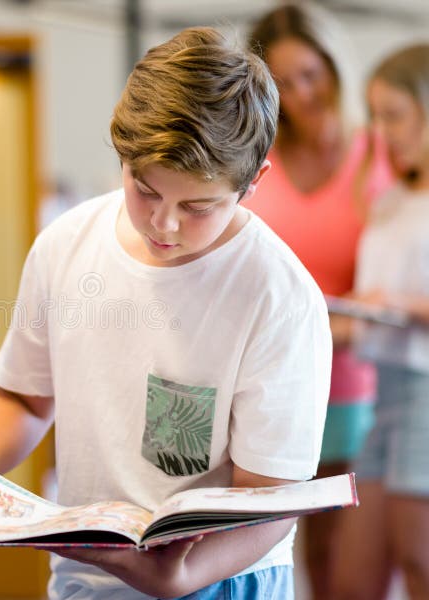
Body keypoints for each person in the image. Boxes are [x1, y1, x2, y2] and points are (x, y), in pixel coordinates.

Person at [0, 27, 332, 599]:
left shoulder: (279, 296)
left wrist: (181, 576)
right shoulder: (65, 246)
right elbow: (25, 399)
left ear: (252, 183)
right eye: (145, 189)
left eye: (196, 206)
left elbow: (271, 498)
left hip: (226, 579)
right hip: (86, 578)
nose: (163, 223)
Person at [244, 4, 392, 596]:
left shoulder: (379, 156)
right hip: (269, 382)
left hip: (356, 386)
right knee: (261, 548)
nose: (299, 93)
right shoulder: (255, 154)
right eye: (281, 81)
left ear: (335, 68)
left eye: (311, 74)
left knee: (340, 561)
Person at [330, 44, 429, 600]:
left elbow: (392, 304)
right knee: (352, 578)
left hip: (425, 395)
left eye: (395, 114)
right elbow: (373, 318)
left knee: (420, 563)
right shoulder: (388, 202)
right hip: (381, 396)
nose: (382, 131)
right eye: (376, 116)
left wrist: (396, 302)